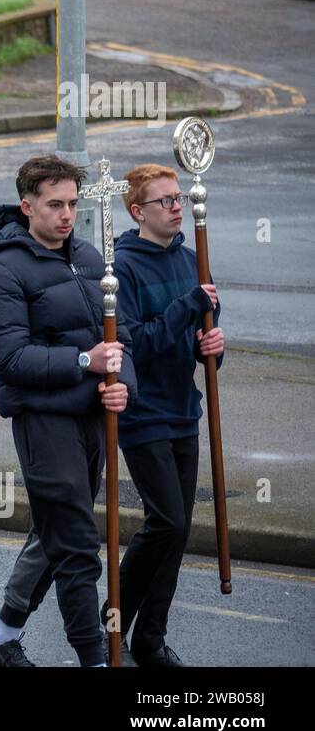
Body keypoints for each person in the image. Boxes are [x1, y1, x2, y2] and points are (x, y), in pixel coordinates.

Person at [0, 154, 137, 668]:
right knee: (79, 546)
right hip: (43, 423)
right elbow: (10, 358)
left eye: (72, 204)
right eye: (55, 205)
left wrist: (120, 386)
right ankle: (96, 656)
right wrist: (86, 362)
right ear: (27, 206)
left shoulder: (87, 258)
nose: (67, 215)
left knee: (55, 536)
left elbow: (120, 339)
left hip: (91, 419)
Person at [112, 163, 223, 667]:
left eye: (179, 198)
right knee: (168, 522)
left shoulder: (193, 260)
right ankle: (113, 617)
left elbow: (203, 339)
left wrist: (213, 347)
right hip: (142, 413)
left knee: (177, 531)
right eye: (166, 201)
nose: (178, 206)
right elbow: (138, 343)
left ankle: (149, 640)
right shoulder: (123, 266)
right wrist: (187, 307)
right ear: (138, 211)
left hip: (184, 410)